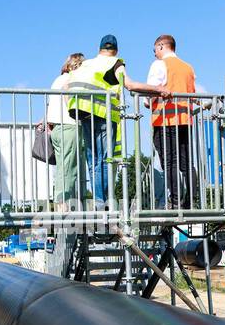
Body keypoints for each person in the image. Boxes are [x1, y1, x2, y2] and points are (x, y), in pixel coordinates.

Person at [63, 35, 165, 209]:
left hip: (81, 111)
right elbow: (130, 85)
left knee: (92, 159)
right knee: (103, 159)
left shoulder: (87, 63)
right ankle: (101, 203)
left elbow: (65, 87)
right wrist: (158, 89)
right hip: (102, 114)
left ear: (99, 49)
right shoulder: (115, 63)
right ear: (115, 50)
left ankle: (98, 200)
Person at [145, 34, 199, 209]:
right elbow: (192, 93)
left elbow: (150, 93)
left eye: (154, 50)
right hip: (185, 119)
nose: (154, 54)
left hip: (165, 120)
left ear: (161, 46)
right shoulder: (188, 67)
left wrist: (148, 102)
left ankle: (175, 201)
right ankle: (189, 201)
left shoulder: (159, 64)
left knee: (169, 162)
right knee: (186, 162)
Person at [46, 53, 86, 209]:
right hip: (69, 126)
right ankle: (63, 204)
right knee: (69, 169)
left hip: (56, 128)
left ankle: (61, 202)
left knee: (62, 168)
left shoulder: (57, 79)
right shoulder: (72, 80)